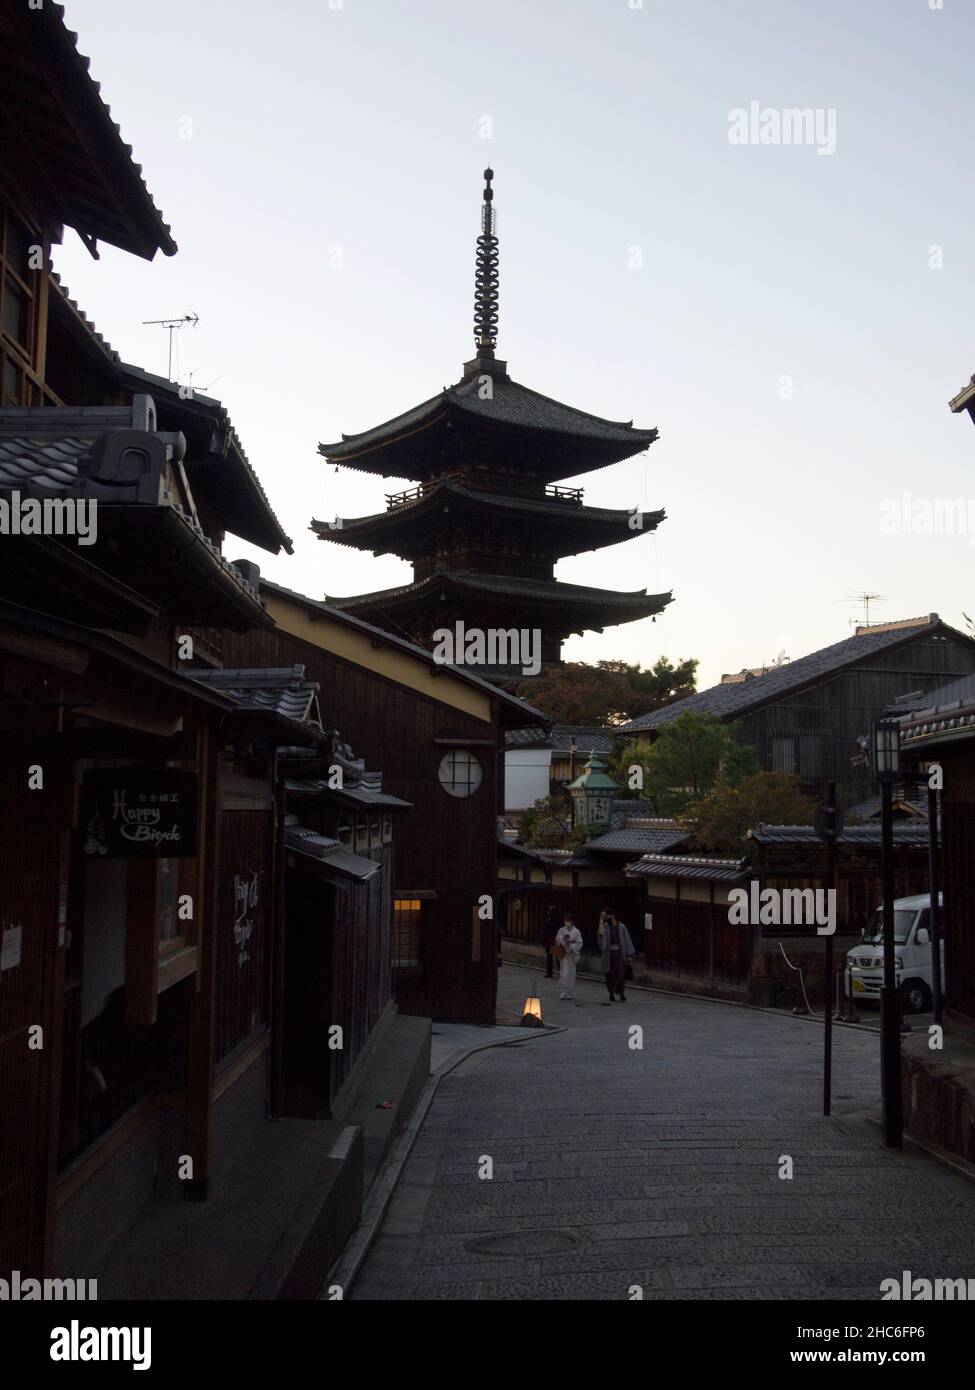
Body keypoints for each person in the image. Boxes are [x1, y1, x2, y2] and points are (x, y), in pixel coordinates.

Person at [597, 909, 636, 1003]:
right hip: (609, 953)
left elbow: (626, 940)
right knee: (609, 974)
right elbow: (600, 934)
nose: (608, 918)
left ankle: (621, 993)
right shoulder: (605, 926)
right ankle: (611, 993)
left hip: (620, 953)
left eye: (609, 916)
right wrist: (601, 921)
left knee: (621, 973)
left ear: (613, 916)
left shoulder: (622, 927)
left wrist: (629, 955)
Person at [555, 915, 583, 1001]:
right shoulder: (562, 930)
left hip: (571, 955)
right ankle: (563, 991)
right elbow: (557, 940)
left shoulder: (577, 932)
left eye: (568, 921)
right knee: (563, 973)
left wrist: (571, 945)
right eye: (566, 921)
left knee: (571, 974)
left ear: (572, 922)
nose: (567, 923)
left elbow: (580, 943)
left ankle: (570, 992)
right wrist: (562, 939)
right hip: (564, 955)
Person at [542, 904, 563, 979]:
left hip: (552, 940)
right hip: (554, 940)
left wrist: (544, 940)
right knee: (557, 957)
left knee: (551, 957)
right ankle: (561, 973)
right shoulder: (559, 920)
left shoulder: (551, 920)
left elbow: (547, 931)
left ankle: (550, 973)